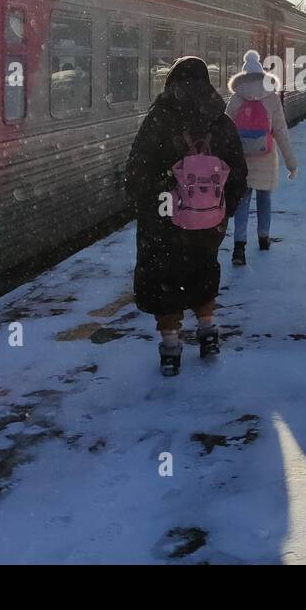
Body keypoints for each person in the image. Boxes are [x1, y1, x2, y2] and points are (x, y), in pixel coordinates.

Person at [125, 56, 248, 377]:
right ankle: (208, 333)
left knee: (165, 281)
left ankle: (170, 349)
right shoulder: (221, 122)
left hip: (162, 222)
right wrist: (222, 211)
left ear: (171, 82)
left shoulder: (159, 119)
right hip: (207, 221)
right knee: (204, 272)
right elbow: (238, 174)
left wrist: (157, 204)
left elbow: (137, 172)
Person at [225, 49, 298, 266]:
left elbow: (226, 133)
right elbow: (281, 132)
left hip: (242, 160)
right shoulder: (272, 99)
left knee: (242, 202)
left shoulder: (236, 99)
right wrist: (291, 163)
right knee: (264, 199)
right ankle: (264, 237)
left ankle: (239, 246)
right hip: (265, 157)